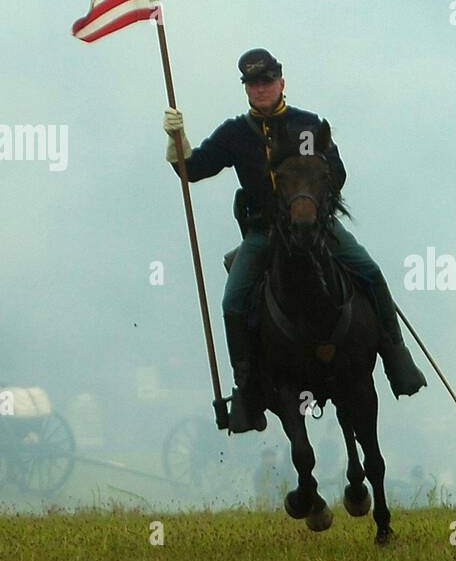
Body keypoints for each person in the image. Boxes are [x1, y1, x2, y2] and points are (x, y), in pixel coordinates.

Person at [162, 48, 425, 434]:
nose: (261, 88)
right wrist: (177, 138)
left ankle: (396, 356)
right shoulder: (235, 134)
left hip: (314, 228)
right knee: (233, 301)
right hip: (263, 234)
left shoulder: (307, 127)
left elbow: (337, 173)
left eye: (267, 81)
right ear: (247, 89)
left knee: (368, 269)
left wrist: (311, 203)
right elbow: (194, 169)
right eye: (254, 83)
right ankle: (248, 389)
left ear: (281, 82)